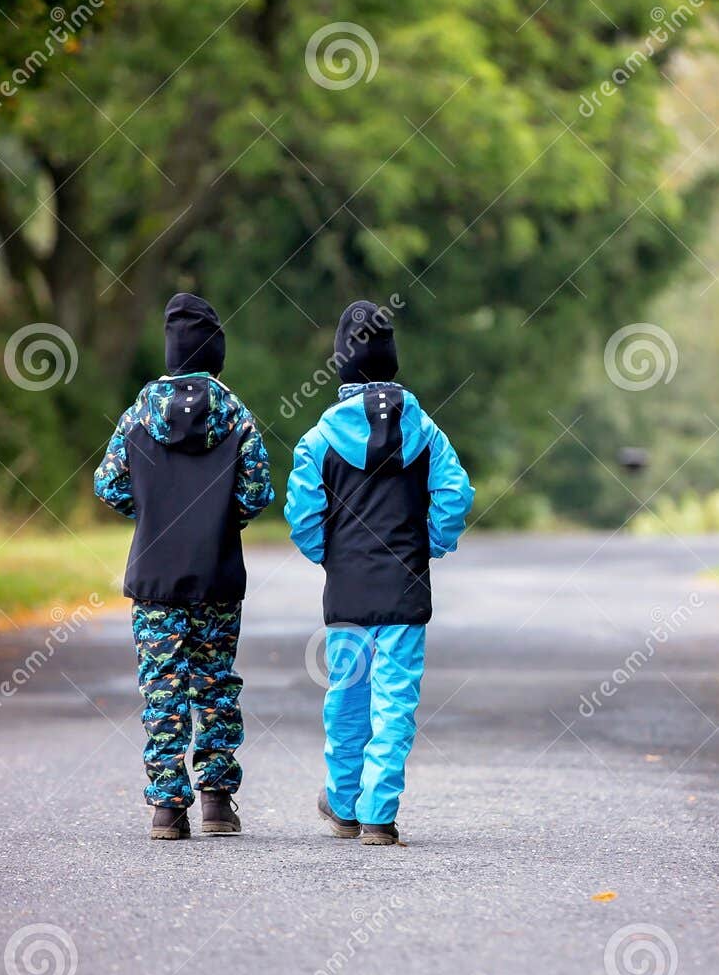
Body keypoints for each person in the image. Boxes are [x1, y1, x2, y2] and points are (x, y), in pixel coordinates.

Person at [285, 300, 474, 845]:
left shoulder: (319, 439)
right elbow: (455, 495)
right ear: (392, 362)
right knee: (395, 703)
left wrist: (329, 554)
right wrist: (431, 544)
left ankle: (343, 804)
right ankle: (378, 815)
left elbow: (302, 515)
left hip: (347, 594)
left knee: (345, 697)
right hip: (406, 592)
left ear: (341, 365)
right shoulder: (426, 433)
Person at [93, 292, 274, 840]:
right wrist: (222, 521)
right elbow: (258, 492)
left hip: (155, 577)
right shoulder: (237, 416)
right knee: (216, 683)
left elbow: (108, 485)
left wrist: (148, 512)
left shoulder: (136, 416)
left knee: (162, 687)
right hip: (217, 574)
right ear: (216, 354)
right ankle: (218, 802)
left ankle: (167, 809)